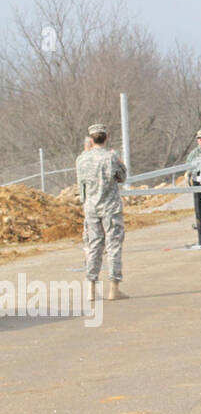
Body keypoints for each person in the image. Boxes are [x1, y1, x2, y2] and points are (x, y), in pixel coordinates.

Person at [75, 123, 128, 302]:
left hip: (91, 208)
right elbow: (122, 177)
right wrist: (120, 162)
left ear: (91, 139)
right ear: (106, 138)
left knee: (93, 246)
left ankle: (91, 288)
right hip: (110, 207)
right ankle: (114, 288)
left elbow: (80, 186)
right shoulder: (111, 157)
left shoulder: (81, 159)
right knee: (113, 246)